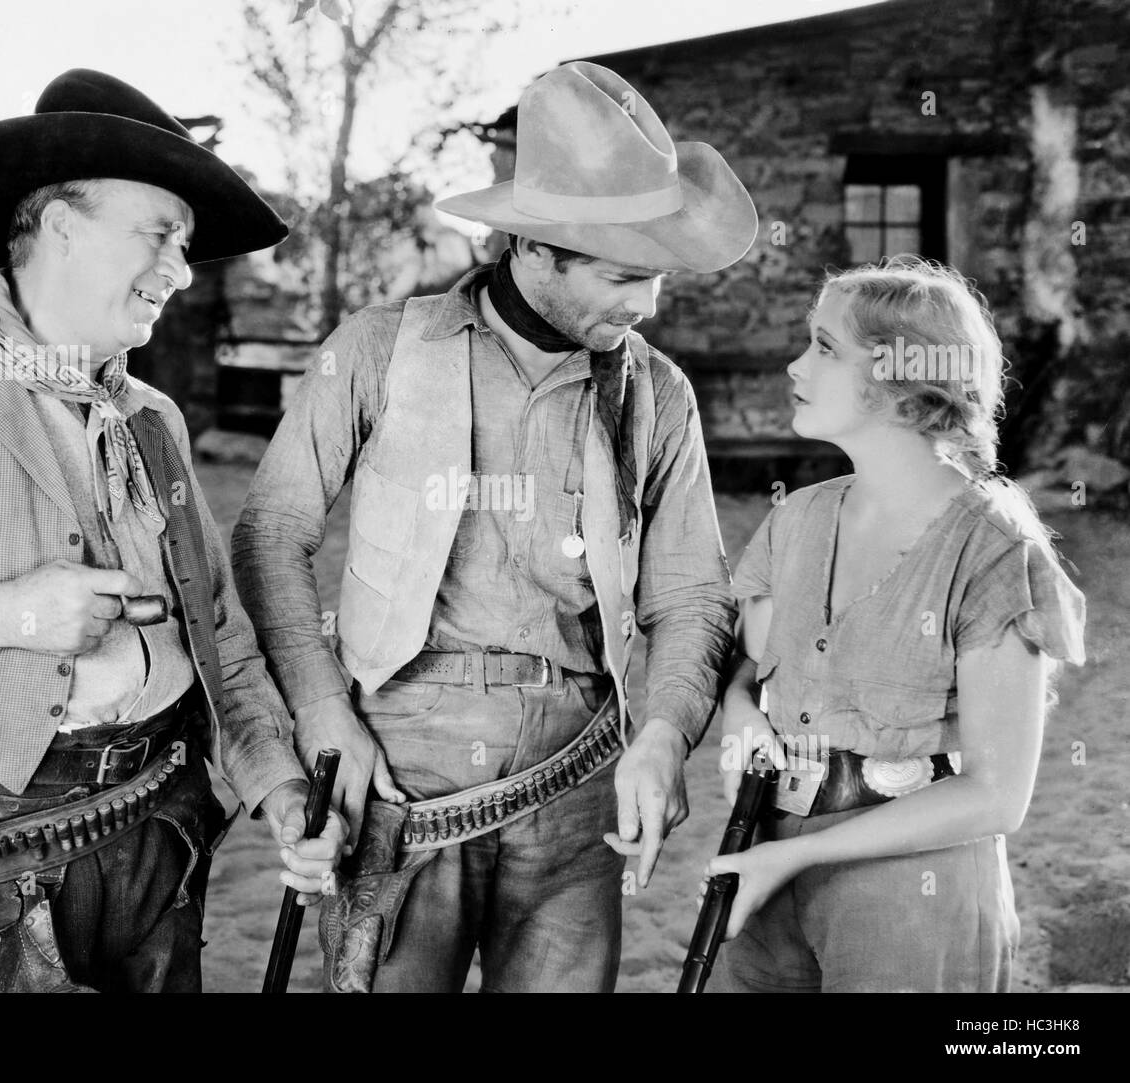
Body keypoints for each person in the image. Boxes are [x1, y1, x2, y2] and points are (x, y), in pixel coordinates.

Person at [232, 61, 758, 992]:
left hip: (578, 777)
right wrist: (322, 717)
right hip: (397, 769)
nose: (643, 306)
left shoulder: (657, 394)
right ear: (533, 247)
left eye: (658, 281)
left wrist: (667, 732)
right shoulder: (376, 348)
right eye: (622, 276)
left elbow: (692, 593)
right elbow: (271, 530)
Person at [0, 69, 343, 993]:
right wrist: (3, 614)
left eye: (185, 248)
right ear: (59, 226)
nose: (182, 273)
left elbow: (216, 634)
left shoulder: (153, 417)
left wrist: (277, 784)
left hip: (160, 833)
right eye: (159, 236)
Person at [705, 256, 1086, 993]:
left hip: (914, 895)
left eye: (824, 347)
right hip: (761, 859)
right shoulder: (798, 518)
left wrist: (792, 859)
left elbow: (996, 795)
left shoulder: (996, 548)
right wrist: (739, 715)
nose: (795, 363)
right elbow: (748, 665)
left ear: (903, 384)